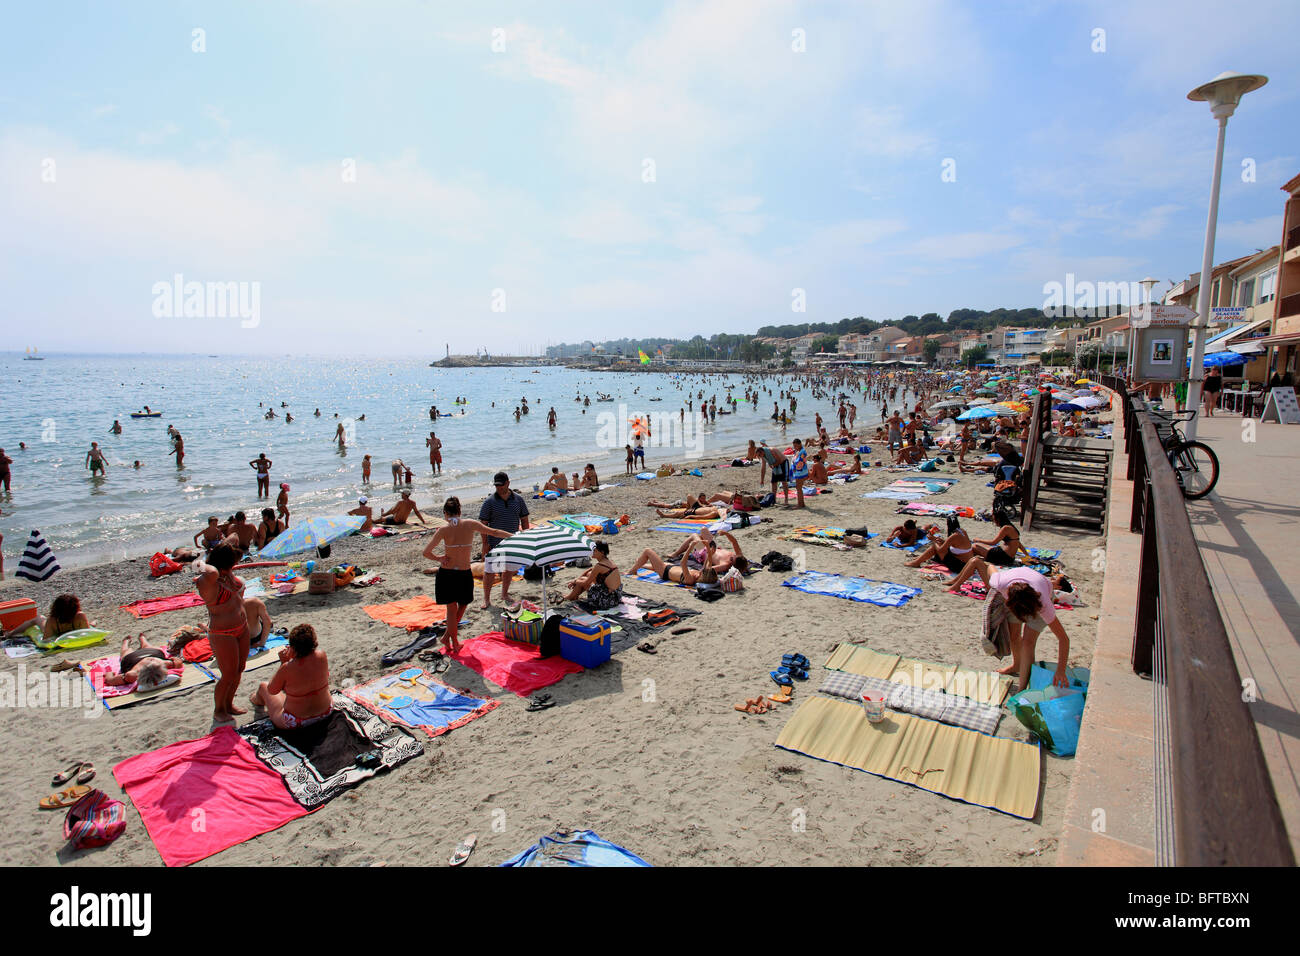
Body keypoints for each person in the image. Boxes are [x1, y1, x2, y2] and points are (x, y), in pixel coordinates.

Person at [422, 496, 512, 653]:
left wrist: (439, 558)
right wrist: (513, 535)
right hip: (463, 573)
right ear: (460, 511)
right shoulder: (470, 524)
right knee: (460, 605)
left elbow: (426, 552)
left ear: (445, 513)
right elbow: (494, 532)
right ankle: (454, 642)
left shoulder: (443, 530)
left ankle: (447, 636)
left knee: (455, 607)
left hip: (447, 573)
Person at [194, 543, 254, 726]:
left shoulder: (227, 575)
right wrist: (205, 560)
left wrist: (226, 545)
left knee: (239, 668)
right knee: (227, 674)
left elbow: (236, 542)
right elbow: (205, 569)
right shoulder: (207, 579)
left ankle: (228, 704)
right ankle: (218, 710)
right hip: (222, 633)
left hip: (241, 628)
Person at [249, 624, 333, 729]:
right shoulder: (321, 655)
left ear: (293, 647)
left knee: (263, 686)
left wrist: (283, 663)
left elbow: (272, 690)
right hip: (325, 712)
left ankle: (256, 700)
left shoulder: (287, 668)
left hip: (296, 721)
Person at [479, 472, 531, 609]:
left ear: (508, 483)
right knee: (490, 571)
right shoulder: (489, 502)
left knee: (509, 569)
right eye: (497, 486)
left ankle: (504, 593)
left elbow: (524, 519)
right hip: (495, 543)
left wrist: (526, 537)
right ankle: (486, 599)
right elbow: (483, 524)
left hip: (513, 542)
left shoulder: (518, 499)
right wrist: (484, 544)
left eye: (501, 485)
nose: (499, 488)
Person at [102, 635, 185, 688]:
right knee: (127, 651)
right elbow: (110, 680)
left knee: (133, 649)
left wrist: (108, 673)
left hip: (150, 655)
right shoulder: (133, 674)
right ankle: (138, 640)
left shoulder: (133, 674)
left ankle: (136, 640)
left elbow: (110, 680)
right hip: (134, 659)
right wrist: (109, 673)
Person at [562, 541, 623, 608]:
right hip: (616, 597)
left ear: (602, 552)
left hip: (608, 600)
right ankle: (572, 596)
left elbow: (586, 583)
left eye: (595, 551)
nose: (593, 552)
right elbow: (590, 570)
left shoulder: (600, 565)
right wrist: (577, 579)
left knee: (583, 581)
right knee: (587, 575)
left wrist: (575, 581)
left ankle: (570, 597)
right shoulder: (608, 562)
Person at [627, 542, 719, 586]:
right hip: (670, 567)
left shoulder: (690, 580)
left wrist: (690, 547)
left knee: (647, 551)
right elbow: (709, 562)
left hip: (664, 571)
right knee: (651, 564)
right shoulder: (700, 574)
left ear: (704, 575)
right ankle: (640, 564)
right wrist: (707, 547)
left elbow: (683, 563)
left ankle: (632, 571)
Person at [902, 516, 973, 572]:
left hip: (960, 567)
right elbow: (955, 545)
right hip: (965, 564)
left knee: (935, 547)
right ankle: (918, 560)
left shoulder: (954, 535)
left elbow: (941, 550)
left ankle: (916, 562)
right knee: (938, 543)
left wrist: (933, 540)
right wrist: (939, 540)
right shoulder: (962, 531)